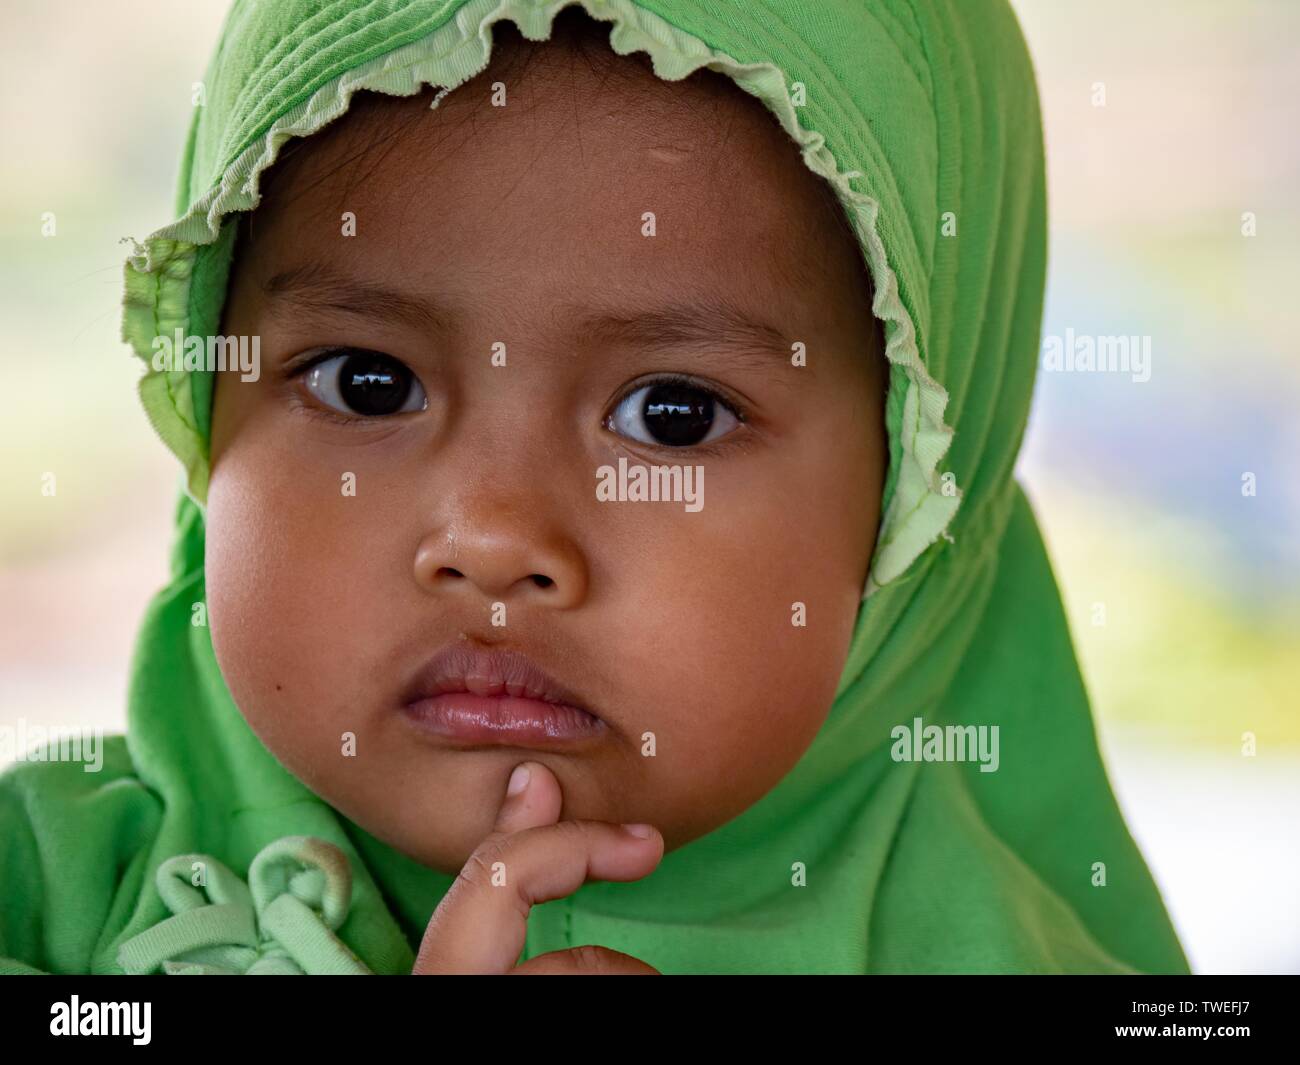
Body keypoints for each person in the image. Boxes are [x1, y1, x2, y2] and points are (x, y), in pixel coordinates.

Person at [0, 0, 1189, 975]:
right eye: (368, 384)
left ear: (917, 499)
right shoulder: (43, 892)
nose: (494, 539)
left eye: (670, 416)